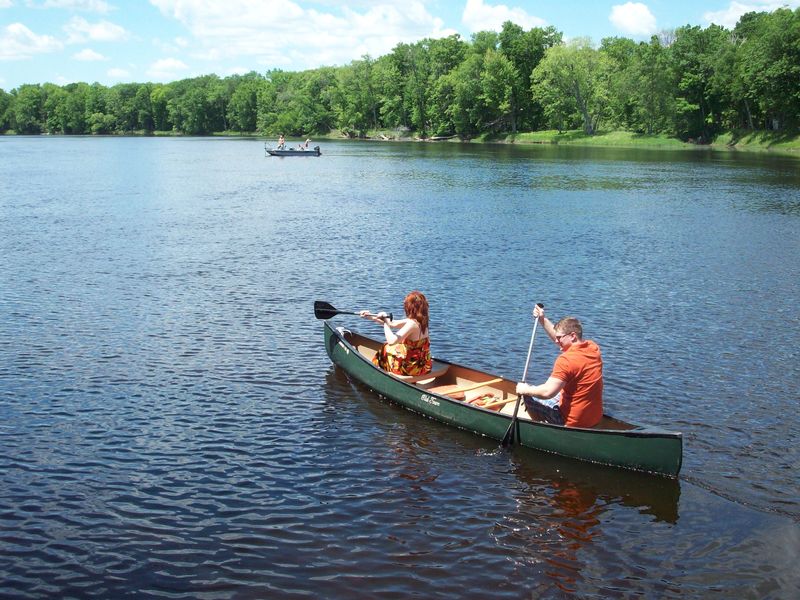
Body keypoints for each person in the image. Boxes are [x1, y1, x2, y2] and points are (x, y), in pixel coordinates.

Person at [515, 304, 603, 427]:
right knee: (560, 389)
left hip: (570, 422)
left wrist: (525, 389)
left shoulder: (566, 360)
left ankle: (544, 429)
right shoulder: (593, 348)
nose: (556, 341)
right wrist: (542, 319)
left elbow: (547, 393)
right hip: (594, 418)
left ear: (572, 336)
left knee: (528, 394)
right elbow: (561, 340)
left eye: (559, 338)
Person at [360, 290, 432, 376]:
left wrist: (385, 323)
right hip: (424, 366)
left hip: (411, 369)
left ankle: (377, 373)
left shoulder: (412, 324)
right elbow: (392, 323)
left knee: (386, 347)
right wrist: (370, 316)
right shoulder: (422, 322)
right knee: (394, 348)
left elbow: (392, 341)